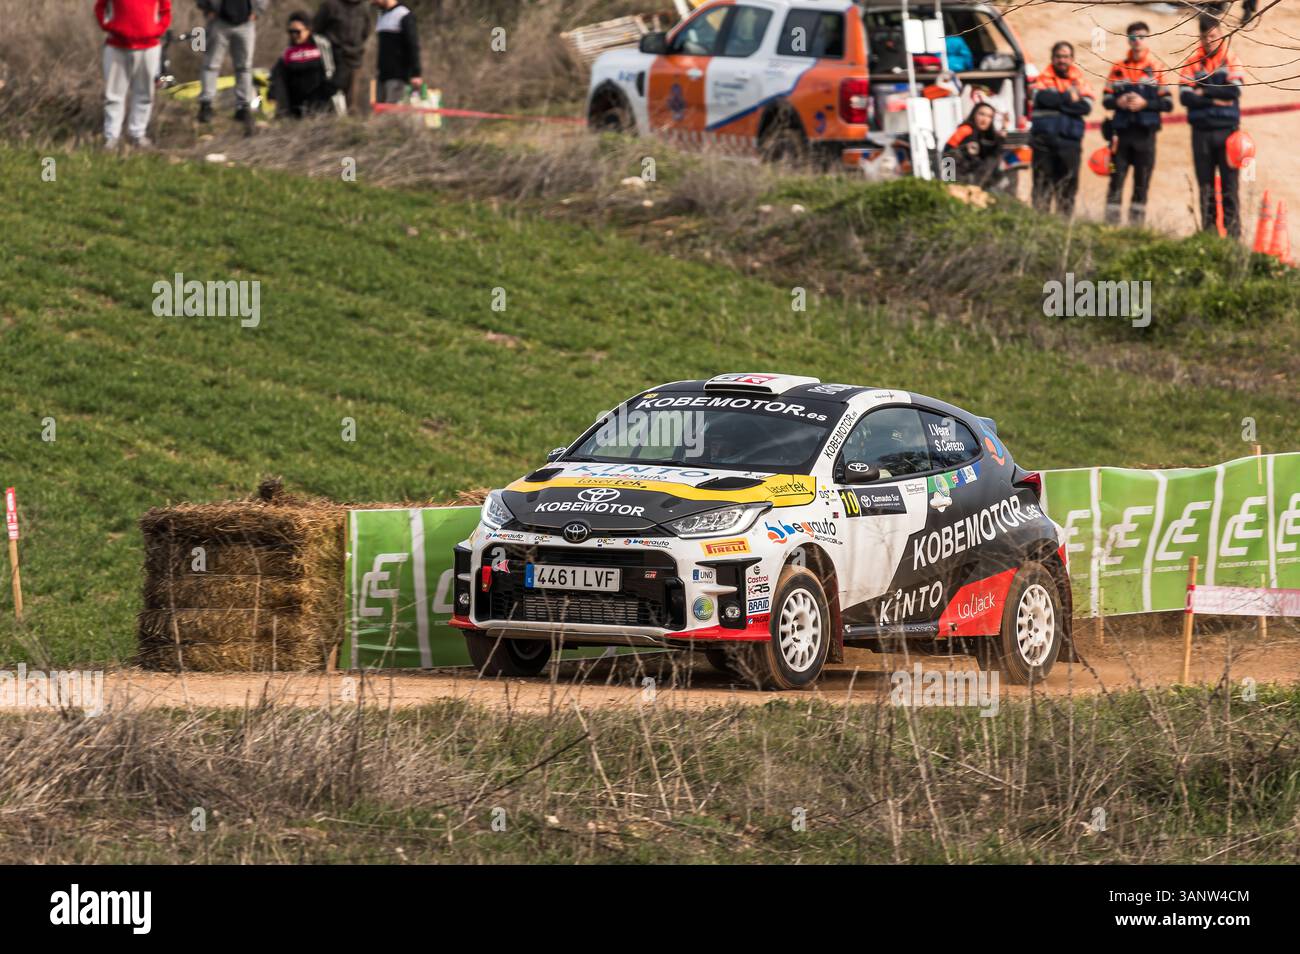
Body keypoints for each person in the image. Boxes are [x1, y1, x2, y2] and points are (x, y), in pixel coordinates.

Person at [1180, 15, 1245, 237]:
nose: (1210, 41)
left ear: (1220, 34)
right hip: (1201, 133)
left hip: (1228, 133)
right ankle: (1209, 235)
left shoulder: (1231, 57)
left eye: (1214, 36)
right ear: (1199, 37)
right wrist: (1217, 97)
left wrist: (1203, 90)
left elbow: (1234, 92)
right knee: (1205, 186)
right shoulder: (1191, 61)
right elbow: (1185, 98)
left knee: (1230, 187)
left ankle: (1233, 236)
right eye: (1205, 36)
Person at [1102, 22, 1172, 225]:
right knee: (1116, 181)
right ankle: (1110, 228)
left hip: (1145, 136)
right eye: (1133, 37)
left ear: (1147, 39)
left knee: (1141, 184)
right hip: (1121, 136)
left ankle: (1136, 229)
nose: (1137, 41)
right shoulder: (1117, 68)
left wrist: (1145, 103)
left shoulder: (1157, 68)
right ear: (1128, 40)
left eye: (1142, 36)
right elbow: (1105, 100)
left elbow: (1167, 104)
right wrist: (1119, 101)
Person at [94, 0, 172, 149]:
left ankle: (138, 134)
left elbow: (165, 10)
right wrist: (109, 26)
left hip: (149, 46)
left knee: (145, 94)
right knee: (113, 95)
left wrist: (157, 30)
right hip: (116, 46)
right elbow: (100, 7)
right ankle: (112, 136)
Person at [1029, 41, 1095, 216]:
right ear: (1052, 58)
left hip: (1069, 144)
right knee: (1041, 188)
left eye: (1066, 57)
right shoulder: (1042, 77)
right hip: (1043, 143)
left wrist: (1056, 101)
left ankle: (1064, 229)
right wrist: (1068, 97)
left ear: (1072, 59)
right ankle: (1038, 226)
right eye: (1058, 56)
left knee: (1067, 189)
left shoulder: (1081, 80)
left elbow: (1086, 107)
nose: (1062, 60)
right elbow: (1040, 98)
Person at [196, 0, 268, 126]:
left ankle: (243, 107)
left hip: (246, 22)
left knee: (244, 67)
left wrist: (257, 11)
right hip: (219, 20)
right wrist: (207, 8)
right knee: (211, 65)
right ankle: (206, 105)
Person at [268, 13, 344, 118]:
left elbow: (339, 68)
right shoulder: (287, 53)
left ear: (308, 30)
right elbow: (277, 76)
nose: (294, 35)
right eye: (291, 32)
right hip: (295, 108)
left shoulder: (323, 46)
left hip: (321, 104)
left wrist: (331, 87)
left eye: (297, 32)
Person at [313, 0, 372, 113]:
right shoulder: (330, 5)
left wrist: (356, 46)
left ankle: (348, 127)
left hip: (355, 59)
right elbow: (316, 30)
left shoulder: (363, 7)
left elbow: (366, 30)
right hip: (331, 61)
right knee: (331, 100)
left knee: (351, 103)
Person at [943, 102, 1008, 191]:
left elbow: (994, 150)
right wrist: (949, 182)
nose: (984, 119)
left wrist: (1004, 128)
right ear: (974, 115)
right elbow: (947, 153)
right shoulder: (966, 130)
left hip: (977, 179)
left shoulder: (986, 135)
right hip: (961, 179)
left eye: (989, 116)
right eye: (981, 114)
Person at [372, 0, 423, 104]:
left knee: (393, 114)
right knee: (379, 114)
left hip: (398, 77)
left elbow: (413, 45)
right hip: (382, 76)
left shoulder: (403, 14)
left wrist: (416, 73)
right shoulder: (382, 15)